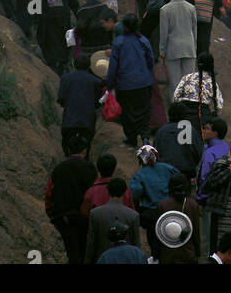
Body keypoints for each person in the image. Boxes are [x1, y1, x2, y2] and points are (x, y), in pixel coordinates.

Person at [45, 132, 96, 264]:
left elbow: (49, 194)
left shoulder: (58, 169)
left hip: (64, 218)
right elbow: (95, 194)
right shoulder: (90, 168)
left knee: (72, 253)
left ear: (67, 150)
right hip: (85, 218)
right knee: (85, 252)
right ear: (85, 150)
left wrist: (52, 215)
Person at [106, 13, 155, 146]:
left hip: (125, 85)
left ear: (125, 27)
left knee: (127, 113)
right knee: (144, 111)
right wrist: (147, 74)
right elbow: (151, 60)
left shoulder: (118, 42)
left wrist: (109, 84)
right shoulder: (143, 40)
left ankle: (131, 138)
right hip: (144, 83)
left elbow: (113, 66)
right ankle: (145, 136)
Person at [130, 144, 181, 253]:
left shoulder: (140, 175)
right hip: (171, 211)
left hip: (152, 214)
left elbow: (134, 194)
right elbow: (180, 180)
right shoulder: (169, 168)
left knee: (154, 245)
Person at [84, 176, 140, 263]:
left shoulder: (95, 214)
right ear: (124, 192)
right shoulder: (133, 215)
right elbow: (136, 244)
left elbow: (91, 244)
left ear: (108, 191)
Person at [58, 53, 104, 156]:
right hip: (87, 120)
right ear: (89, 66)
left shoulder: (65, 78)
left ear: (74, 64)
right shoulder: (96, 81)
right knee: (86, 145)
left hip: (69, 119)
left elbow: (61, 98)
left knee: (66, 144)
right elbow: (98, 102)